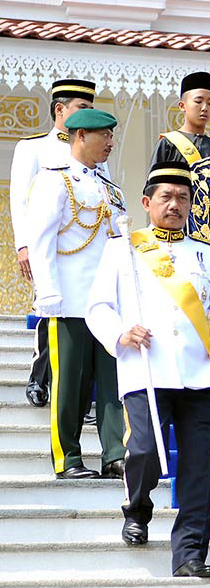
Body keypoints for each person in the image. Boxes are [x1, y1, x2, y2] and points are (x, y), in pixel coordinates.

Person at [85, 161, 210, 578]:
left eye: (183, 198)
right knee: (145, 451)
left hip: (200, 374)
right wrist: (121, 332)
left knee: (198, 469)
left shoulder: (208, 254)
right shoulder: (123, 248)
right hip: (145, 370)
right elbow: (97, 306)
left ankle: (190, 555)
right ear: (147, 202)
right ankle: (137, 507)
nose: (175, 205)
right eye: (167, 197)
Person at [28, 108, 127, 479]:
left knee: (113, 381)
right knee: (70, 381)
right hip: (69, 298)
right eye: (105, 135)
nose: (111, 143)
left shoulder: (110, 187)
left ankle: (114, 452)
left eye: (113, 136)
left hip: (108, 303)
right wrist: (48, 291)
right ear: (81, 136)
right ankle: (67, 457)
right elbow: (41, 242)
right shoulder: (55, 181)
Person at [9, 78, 100, 408]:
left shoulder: (93, 150)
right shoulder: (32, 148)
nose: (88, 116)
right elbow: (19, 200)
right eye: (82, 108)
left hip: (84, 249)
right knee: (47, 309)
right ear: (60, 110)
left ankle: (81, 390)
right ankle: (40, 375)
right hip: (48, 246)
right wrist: (24, 246)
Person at [150, 72, 210, 166]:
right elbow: (154, 180)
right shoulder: (168, 145)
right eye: (198, 101)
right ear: (182, 106)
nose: (205, 108)